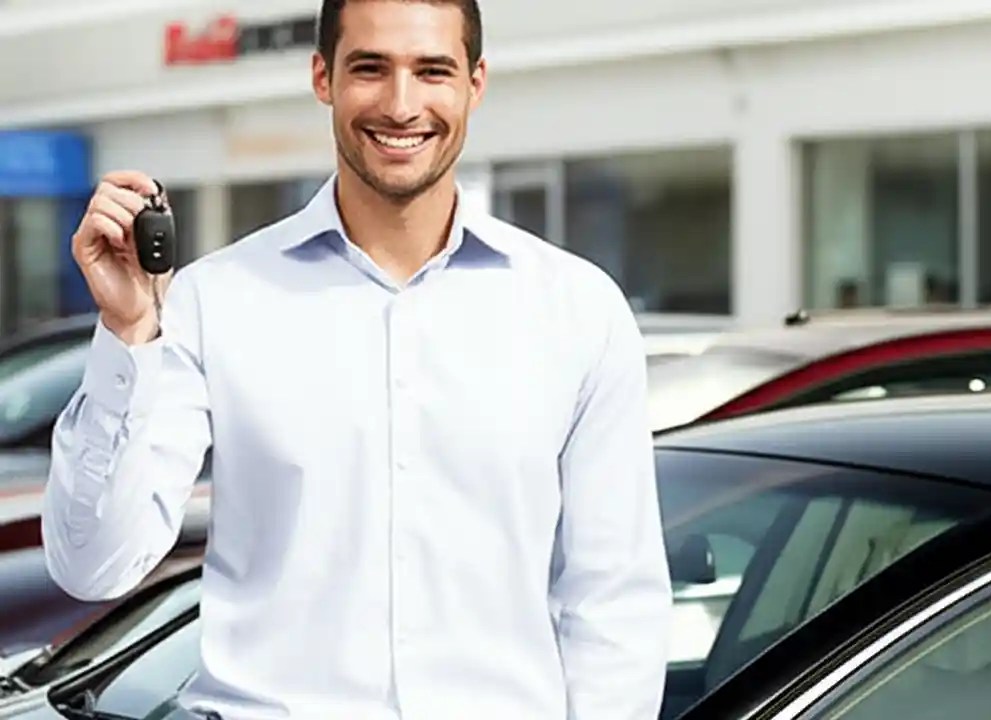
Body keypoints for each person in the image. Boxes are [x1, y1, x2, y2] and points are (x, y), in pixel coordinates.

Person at [41, 1, 673, 718]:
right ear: (323, 77)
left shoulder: (579, 311)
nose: (401, 105)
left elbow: (613, 602)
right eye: (370, 68)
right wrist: (128, 333)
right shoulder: (214, 301)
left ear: (475, 81)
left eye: (431, 70)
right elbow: (92, 564)